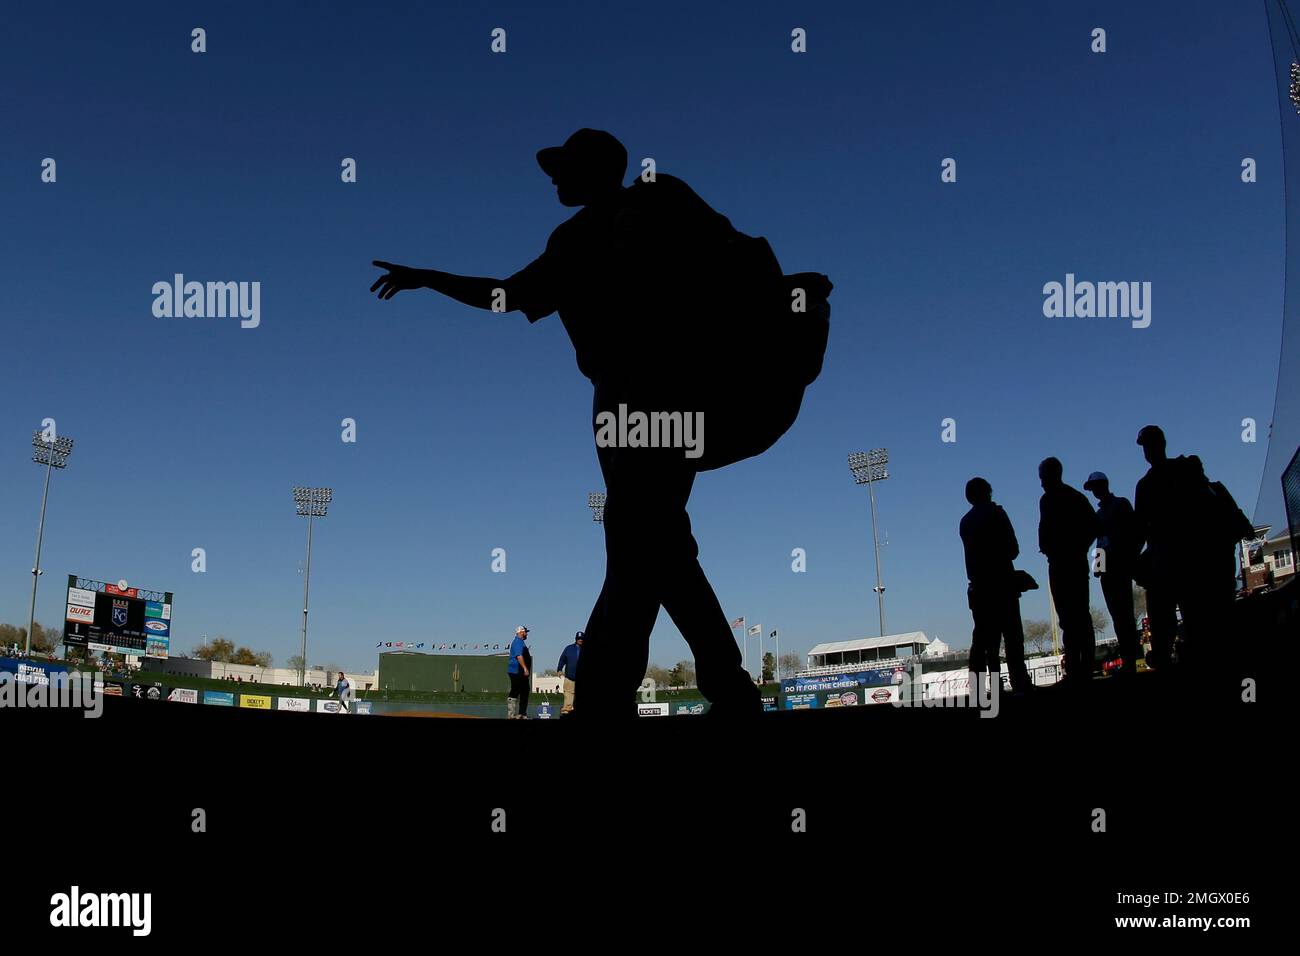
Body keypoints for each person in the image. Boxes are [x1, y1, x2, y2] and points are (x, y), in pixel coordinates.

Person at [370, 129, 764, 719]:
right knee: (657, 540)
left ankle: (618, 691)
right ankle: (723, 687)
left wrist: (430, 278)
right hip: (680, 398)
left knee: (638, 534)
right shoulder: (657, 204)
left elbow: (507, 295)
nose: (552, 178)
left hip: (631, 398)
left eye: (563, 168)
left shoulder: (581, 235)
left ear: (595, 169)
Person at [959, 477, 1032, 695]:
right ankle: (1020, 682)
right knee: (1012, 637)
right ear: (988, 492)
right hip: (1002, 585)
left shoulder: (965, 521)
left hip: (979, 588)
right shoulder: (996, 513)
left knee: (983, 640)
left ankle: (982, 689)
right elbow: (1013, 549)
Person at [1037, 457, 1099, 686]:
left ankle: (1082, 670)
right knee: (1070, 617)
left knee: (1078, 617)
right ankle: (1078, 669)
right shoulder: (1063, 498)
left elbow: (1093, 527)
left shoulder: (1068, 498)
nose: (1041, 483)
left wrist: (1076, 548)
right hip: (1061, 563)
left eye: (1043, 478)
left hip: (1068, 563)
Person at [1083, 471, 1142, 678]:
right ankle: (1129, 661)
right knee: (1118, 614)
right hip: (1108, 570)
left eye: (1096, 487)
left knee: (1124, 613)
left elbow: (1134, 533)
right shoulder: (1099, 514)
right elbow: (1099, 542)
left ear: (1104, 485)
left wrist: (1129, 559)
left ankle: (1131, 661)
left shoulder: (1120, 505)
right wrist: (1098, 567)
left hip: (1119, 566)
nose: (1094, 492)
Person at [507, 626, 532, 719]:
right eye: (526, 632)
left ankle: (522, 714)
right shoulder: (517, 642)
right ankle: (511, 714)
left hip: (520, 672)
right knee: (515, 690)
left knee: (525, 691)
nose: (526, 634)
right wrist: (525, 668)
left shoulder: (521, 642)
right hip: (516, 671)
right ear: (521, 632)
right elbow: (519, 656)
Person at [557, 632, 583, 714]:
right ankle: (566, 712)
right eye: (579, 638)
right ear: (576, 639)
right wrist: (559, 669)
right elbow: (562, 660)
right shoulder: (569, 648)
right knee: (568, 698)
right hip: (570, 678)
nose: (580, 640)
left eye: (582, 638)